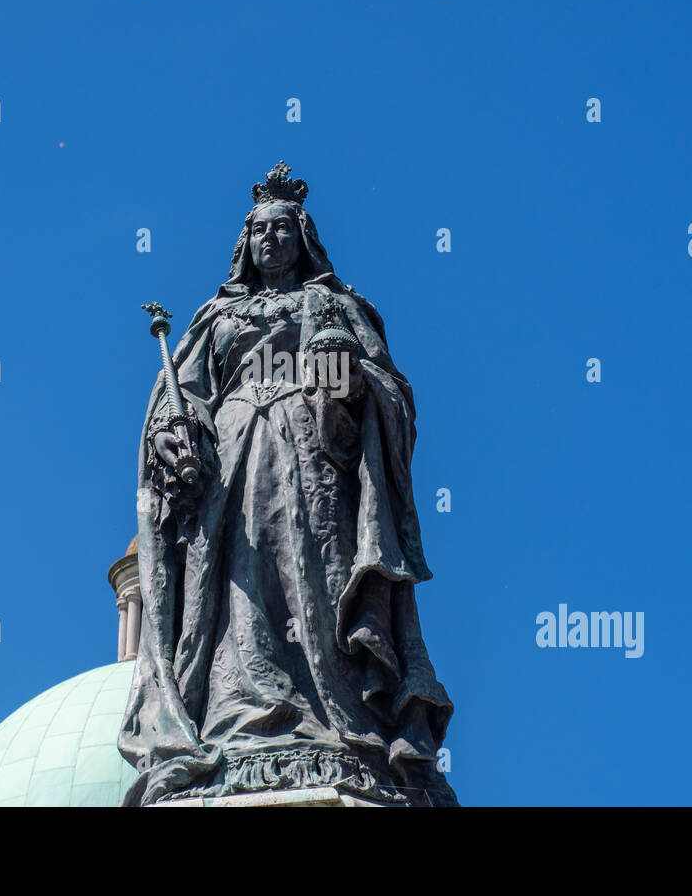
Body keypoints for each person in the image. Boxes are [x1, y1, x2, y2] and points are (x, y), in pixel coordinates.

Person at [119, 162, 458, 806]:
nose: (271, 240)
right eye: (260, 231)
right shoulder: (215, 319)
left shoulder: (335, 306)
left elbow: (389, 394)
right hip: (234, 457)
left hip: (313, 456)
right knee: (237, 587)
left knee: (316, 577)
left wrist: (350, 385)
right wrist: (172, 431)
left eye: (283, 229)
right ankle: (241, 713)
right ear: (244, 244)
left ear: (302, 238)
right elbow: (181, 399)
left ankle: (336, 723)